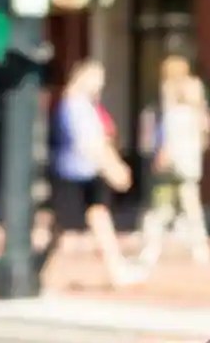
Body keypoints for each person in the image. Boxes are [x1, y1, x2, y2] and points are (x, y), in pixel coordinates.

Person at [49, 59, 145, 288]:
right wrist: (112, 167)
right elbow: (88, 142)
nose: (99, 85)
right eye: (96, 78)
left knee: (99, 219)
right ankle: (48, 276)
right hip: (73, 174)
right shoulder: (74, 105)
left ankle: (116, 271)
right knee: (67, 233)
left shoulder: (84, 104)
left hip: (86, 173)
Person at [138, 55, 210, 266]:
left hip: (174, 153)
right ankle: (200, 248)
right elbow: (205, 127)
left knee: (161, 203)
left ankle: (151, 248)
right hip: (190, 156)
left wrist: (164, 150)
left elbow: (168, 125)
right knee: (189, 201)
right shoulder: (196, 94)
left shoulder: (170, 92)